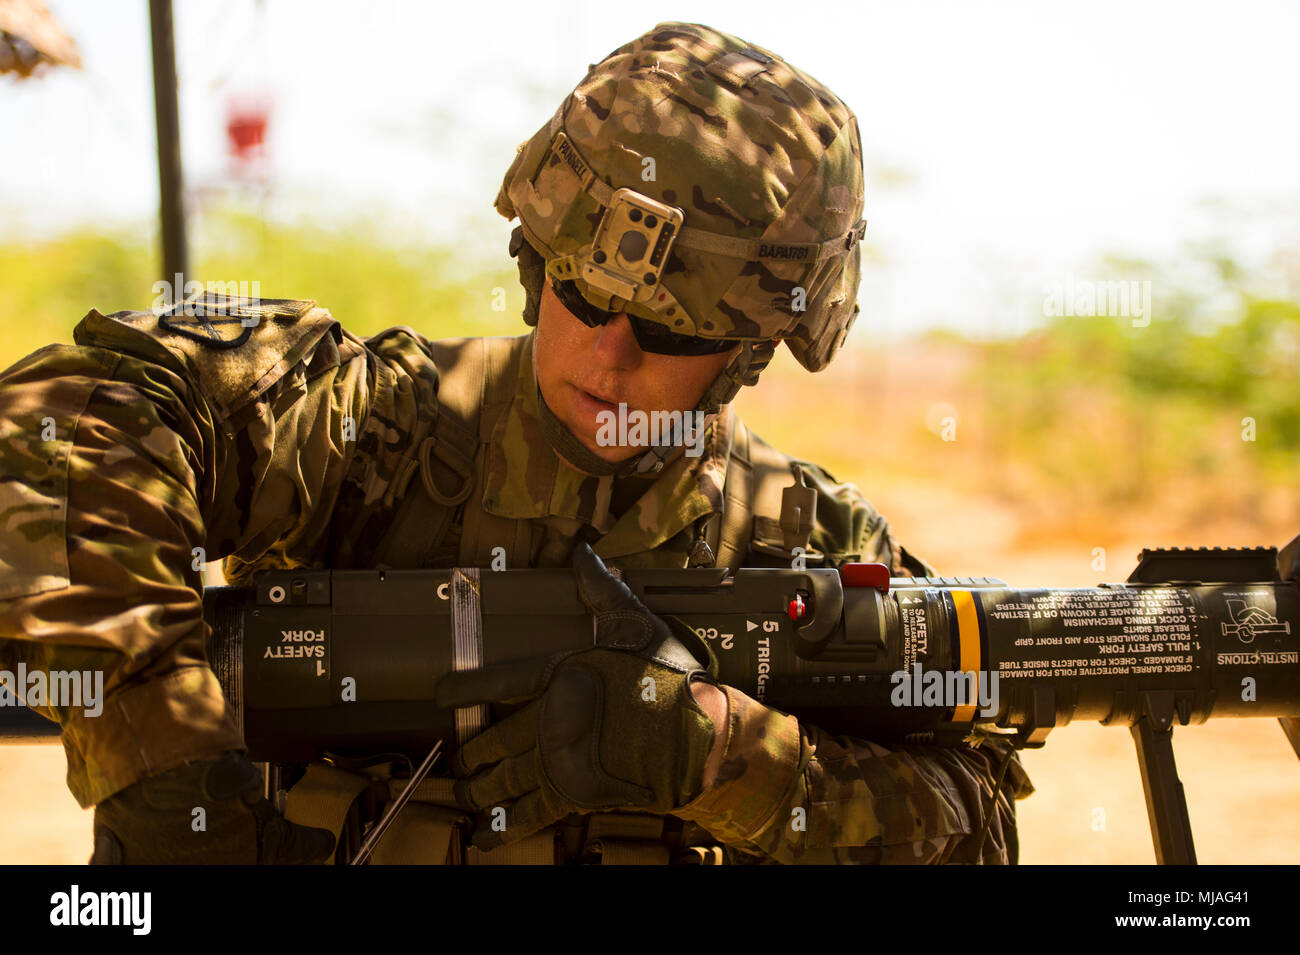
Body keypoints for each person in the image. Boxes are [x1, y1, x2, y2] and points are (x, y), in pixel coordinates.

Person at [0, 21, 1032, 865]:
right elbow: (59, 423)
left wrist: (730, 760)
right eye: (580, 290)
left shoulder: (798, 541)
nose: (607, 351)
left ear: (750, 351)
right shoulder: (376, 428)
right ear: (536, 263)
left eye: (671, 327)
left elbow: (978, 820)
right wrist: (166, 771)